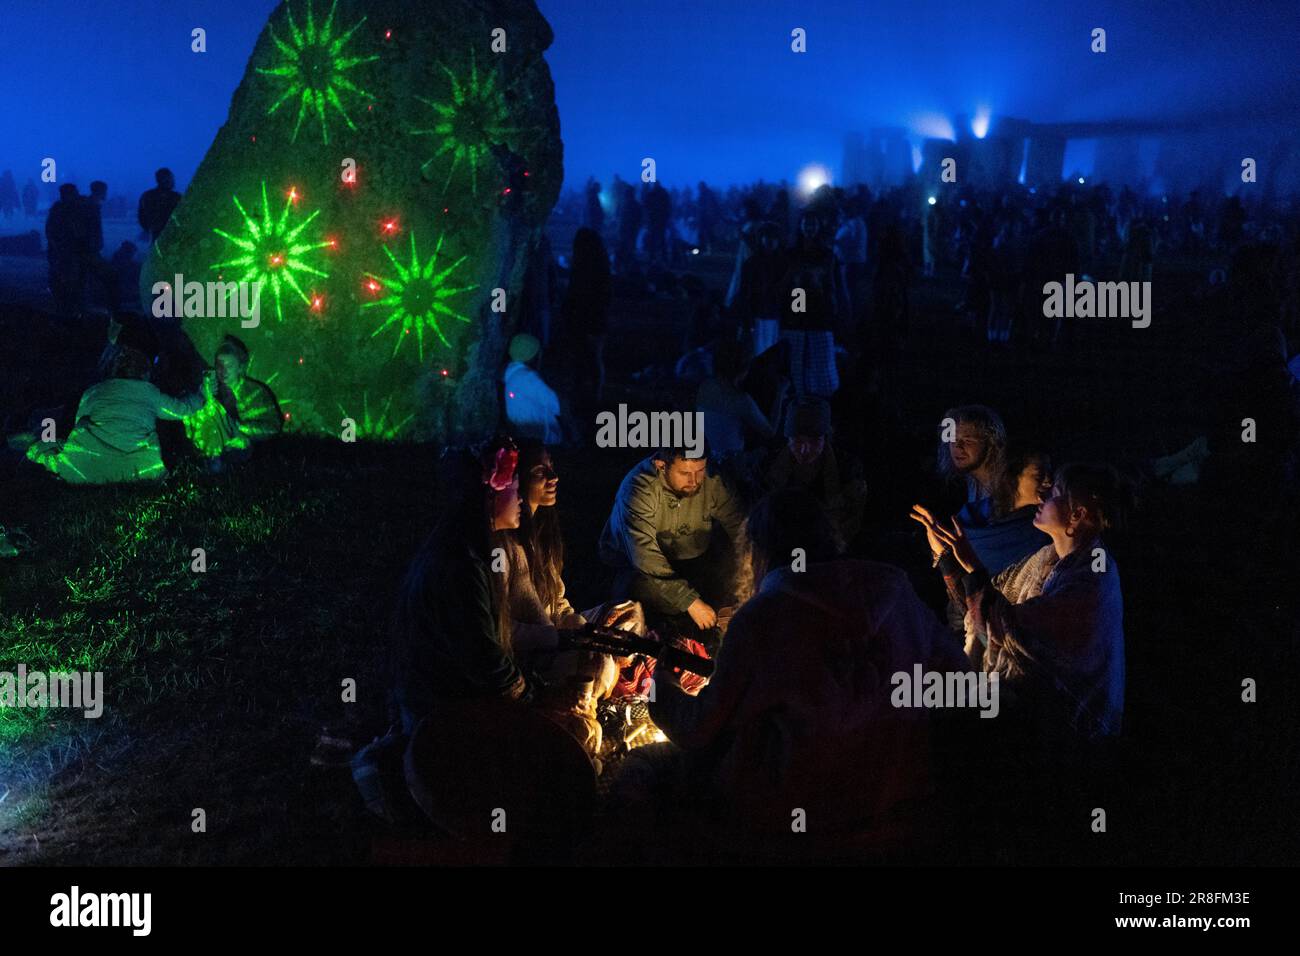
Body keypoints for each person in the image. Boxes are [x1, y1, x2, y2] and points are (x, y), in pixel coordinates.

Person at [616, 489, 973, 861]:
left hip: (797, 817)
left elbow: (696, 728)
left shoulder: (761, 618)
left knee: (647, 764)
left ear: (757, 552)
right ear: (829, 537)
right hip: (896, 798)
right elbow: (960, 677)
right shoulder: (895, 590)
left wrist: (660, 685)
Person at [911, 462, 1128, 743]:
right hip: (1026, 711)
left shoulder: (1095, 577)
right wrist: (946, 557)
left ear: (1077, 515)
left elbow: (1004, 626)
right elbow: (982, 610)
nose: (1043, 497)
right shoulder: (1048, 558)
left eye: (1055, 494)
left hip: (1066, 732)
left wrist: (972, 565)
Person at [390, 438, 530, 734]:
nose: (521, 500)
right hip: (440, 715)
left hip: (451, 700)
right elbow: (484, 657)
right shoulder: (460, 564)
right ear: (490, 493)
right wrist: (533, 696)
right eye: (515, 490)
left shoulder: (470, 550)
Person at [500, 440, 642, 694]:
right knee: (596, 664)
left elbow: (557, 600)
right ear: (516, 481)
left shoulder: (543, 532)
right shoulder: (504, 545)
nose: (553, 477)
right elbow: (504, 628)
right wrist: (563, 637)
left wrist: (581, 627)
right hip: (534, 648)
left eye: (551, 467)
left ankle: (605, 668)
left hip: (558, 632)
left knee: (629, 613)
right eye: (540, 472)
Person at [598, 445, 747, 639]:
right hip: (636, 567)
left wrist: (752, 572)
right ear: (661, 465)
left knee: (725, 583)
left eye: (700, 470)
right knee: (650, 600)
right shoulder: (638, 489)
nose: (694, 481)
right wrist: (690, 602)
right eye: (685, 473)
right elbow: (644, 555)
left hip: (692, 558)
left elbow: (740, 527)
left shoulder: (713, 480)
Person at [22, 346, 212, 484]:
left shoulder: (93, 391)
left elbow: (80, 422)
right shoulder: (149, 392)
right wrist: (203, 393)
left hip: (86, 468)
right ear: (145, 373)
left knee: (46, 447)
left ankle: (28, 442)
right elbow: (182, 410)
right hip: (139, 470)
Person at [761, 398, 865, 546]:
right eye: (797, 441)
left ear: (826, 438)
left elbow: (849, 525)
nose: (805, 450)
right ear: (788, 439)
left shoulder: (848, 470)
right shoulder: (768, 469)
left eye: (814, 441)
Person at [183, 336, 282, 470]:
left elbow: (273, 427)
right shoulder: (210, 389)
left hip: (247, 452)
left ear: (240, 367)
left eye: (229, 366)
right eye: (219, 366)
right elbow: (189, 415)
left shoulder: (256, 392)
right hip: (214, 451)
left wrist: (238, 427)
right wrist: (202, 395)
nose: (223, 371)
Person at [780, 212, 843, 398]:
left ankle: (818, 396)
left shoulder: (826, 254)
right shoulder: (792, 253)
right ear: (800, 226)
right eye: (806, 223)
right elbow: (787, 281)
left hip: (819, 303)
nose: (809, 228)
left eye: (813, 224)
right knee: (797, 347)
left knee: (819, 350)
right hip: (798, 298)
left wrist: (834, 306)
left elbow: (831, 283)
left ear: (818, 226)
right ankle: (797, 394)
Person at [562, 227, 612, 429]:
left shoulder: (581, 269)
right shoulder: (601, 267)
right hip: (593, 320)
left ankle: (586, 395)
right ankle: (594, 396)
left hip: (583, 320)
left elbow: (574, 295)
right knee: (593, 359)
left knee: (584, 359)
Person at [695, 337, 774, 459]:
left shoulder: (705, 387)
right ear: (745, 368)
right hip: (732, 464)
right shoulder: (741, 400)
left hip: (707, 461)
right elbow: (770, 432)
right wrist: (781, 393)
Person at [734, 222, 786, 355]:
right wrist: (746, 319)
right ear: (761, 238)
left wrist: (798, 312)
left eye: (774, 237)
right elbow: (744, 292)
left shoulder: (785, 263)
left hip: (779, 317)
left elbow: (796, 290)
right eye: (767, 237)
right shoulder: (751, 263)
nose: (770, 241)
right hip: (759, 316)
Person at [503, 333, 562, 445]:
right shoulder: (527, 377)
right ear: (530, 356)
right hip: (543, 434)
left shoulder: (511, 373)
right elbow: (555, 404)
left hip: (523, 431)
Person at [45, 184, 85, 315]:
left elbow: (50, 231)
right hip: (63, 250)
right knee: (64, 278)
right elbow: (51, 231)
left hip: (66, 250)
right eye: (75, 192)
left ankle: (66, 306)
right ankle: (66, 307)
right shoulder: (61, 210)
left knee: (67, 278)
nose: (77, 194)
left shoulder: (63, 209)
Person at [138, 168, 181, 243]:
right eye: (171, 178)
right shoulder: (175, 197)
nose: (173, 181)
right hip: (173, 236)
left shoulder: (147, 195)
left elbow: (141, 216)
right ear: (165, 180)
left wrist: (149, 228)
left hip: (156, 235)